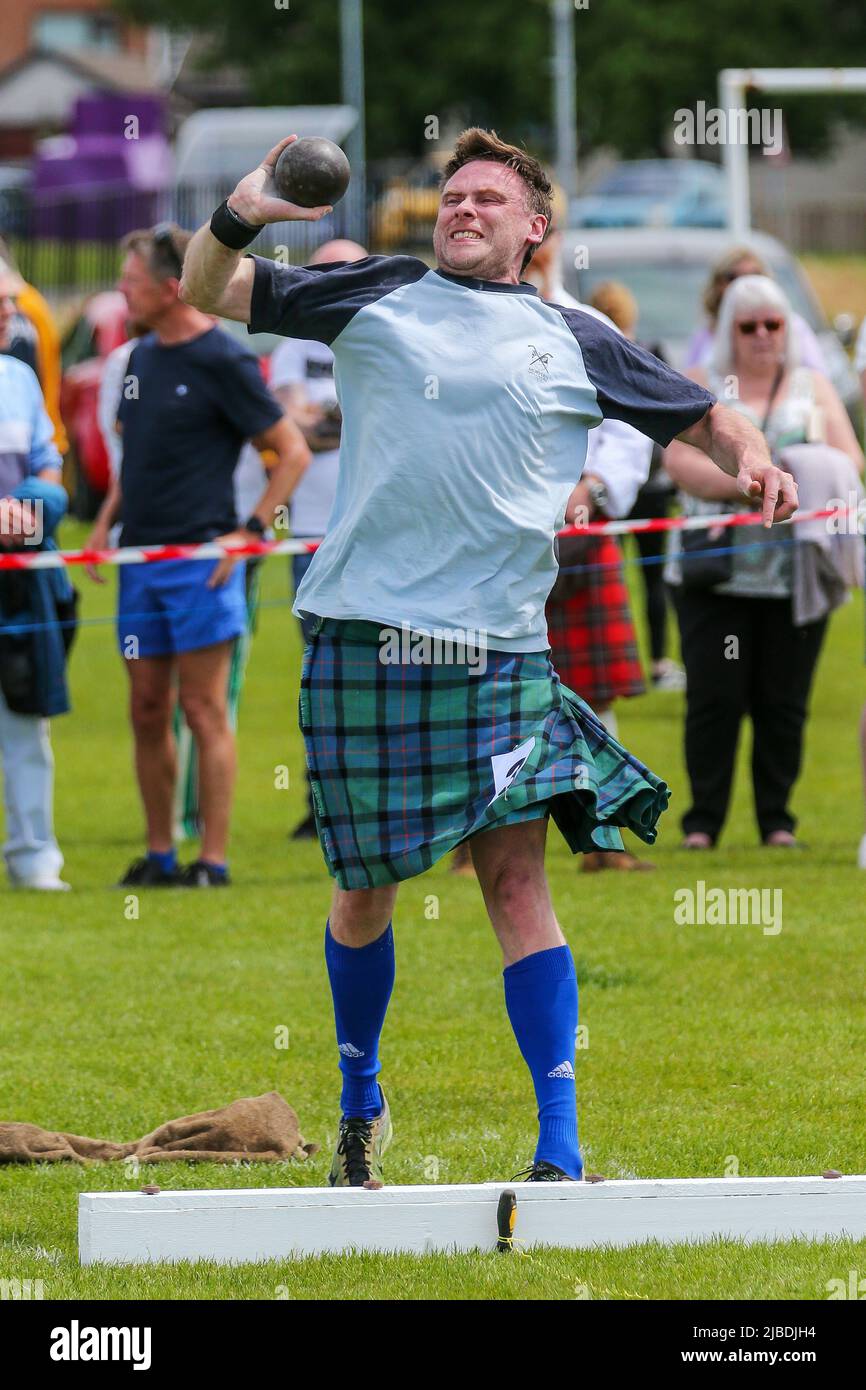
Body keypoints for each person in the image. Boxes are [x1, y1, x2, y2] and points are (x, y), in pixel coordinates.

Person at [180, 128, 795, 1186]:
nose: (461, 210)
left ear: (533, 227)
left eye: (485, 201)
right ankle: (358, 1096)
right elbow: (208, 290)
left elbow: (702, 411)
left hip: (499, 648)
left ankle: (558, 1139)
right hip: (366, 633)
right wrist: (244, 210)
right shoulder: (374, 294)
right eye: (451, 196)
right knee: (362, 888)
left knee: (515, 882)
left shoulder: (574, 337)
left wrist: (751, 453)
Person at [86, 224, 310, 888]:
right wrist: (103, 527)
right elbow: (138, 462)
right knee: (147, 707)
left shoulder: (224, 360)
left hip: (201, 563)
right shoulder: (138, 359)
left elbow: (291, 453)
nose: (122, 291)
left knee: (203, 710)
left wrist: (248, 532)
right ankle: (160, 856)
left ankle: (211, 862)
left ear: (170, 286)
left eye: (130, 281)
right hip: (139, 563)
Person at [666, 274, 863, 850]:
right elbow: (677, 460)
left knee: (784, 701)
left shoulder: (813, 386)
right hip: (714, 572)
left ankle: (778, 822)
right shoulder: (702, 384)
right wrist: (749, 486)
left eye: (771, 324)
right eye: (746, 325)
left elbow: (849, 458)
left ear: (787, 328)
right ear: (728, 329)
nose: (760, 336)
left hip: (793, 576)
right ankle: (702, 823)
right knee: (714, 699)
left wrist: (799, 470)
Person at [522, 234, 655, 874]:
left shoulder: (588, 329)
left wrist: (592, 485)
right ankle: (475, 847)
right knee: (490, 692)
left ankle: (604, 842)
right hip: (493, 541)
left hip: (578, 534)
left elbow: (627, 429)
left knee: (592, 695)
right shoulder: (464, 326)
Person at [268, 238, 368, 840]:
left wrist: (324, 421)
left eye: (346, 270)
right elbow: (292, 428)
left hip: (374, 530)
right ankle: (324, 802)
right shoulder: (293, 345)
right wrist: (342, 420)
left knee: (382, 666)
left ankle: (377, 796)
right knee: (320, 671)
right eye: (323, 271)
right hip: (309, 535)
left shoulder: (382, 338)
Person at [0, 264, 76, 890]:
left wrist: (32, 504)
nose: (12, 313)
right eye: (0, 302)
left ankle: (34, 859)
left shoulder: (19, 377)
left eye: (14, 301)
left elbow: (52, 468)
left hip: (19, 586)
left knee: (26, 723)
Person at [589, 282, 685, 691]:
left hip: (623, 488)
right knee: (651, 579)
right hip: (644, 488)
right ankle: (659, 662)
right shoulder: (648, 353)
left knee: (621, 577)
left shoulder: (617, 353)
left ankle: (617, 661)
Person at [685, 246, 826, 375]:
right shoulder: (705, 334)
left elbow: (818, 377)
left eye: (772, 326)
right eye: (733, 277)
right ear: (718, 285)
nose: (744, 283)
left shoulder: (794, 326)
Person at [0, 241, 68, 455]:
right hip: (41, 439)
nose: (7, 310)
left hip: (28, 446)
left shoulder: (25, 311)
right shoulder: (34, 303)